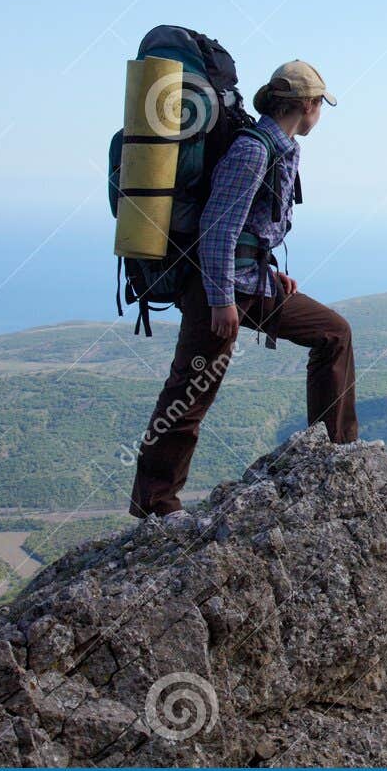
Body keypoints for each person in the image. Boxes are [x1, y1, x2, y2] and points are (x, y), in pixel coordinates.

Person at [128, 59, 358, 526]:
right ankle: (155, 502)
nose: (320, 114)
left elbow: (251, 226)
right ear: (307, 105)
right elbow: (217, 229)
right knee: (189, 392)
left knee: (334, 333)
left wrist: (269, 269)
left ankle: (334, 455)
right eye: (320, 105)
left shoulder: (281, 149)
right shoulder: (253, 151)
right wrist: (220, 301)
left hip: (254, 281)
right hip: (217, 290)